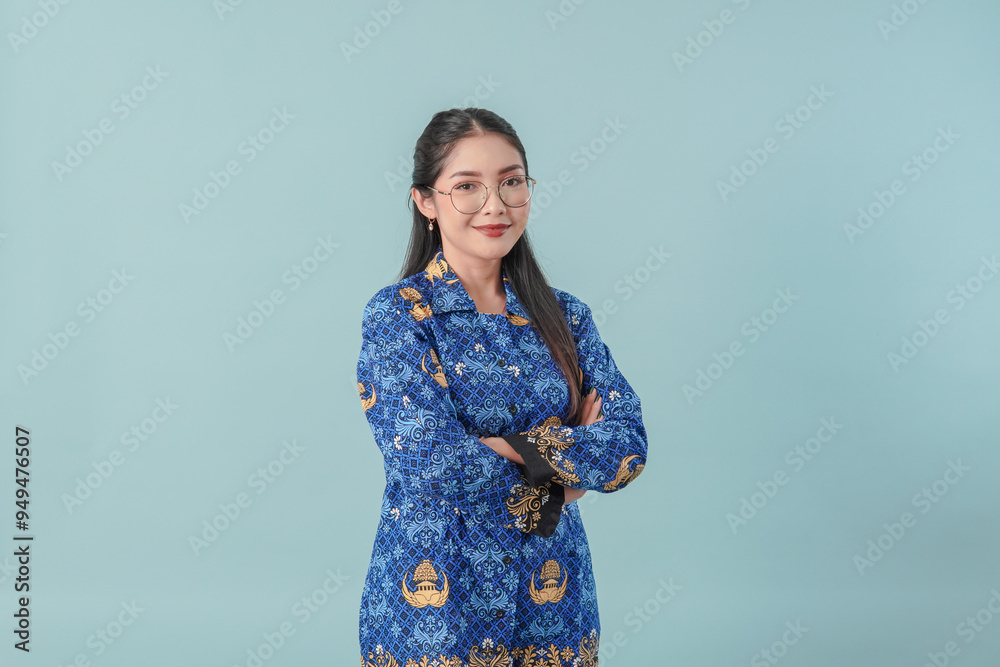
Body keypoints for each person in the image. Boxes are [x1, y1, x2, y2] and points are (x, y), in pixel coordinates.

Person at [356, 107, 648, 666]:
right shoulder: (400, 318)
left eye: (512, 182)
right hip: (438, 604)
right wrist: (565, 478)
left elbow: (627, 445)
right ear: (426, 202)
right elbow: (431, 464)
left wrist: (510, 451)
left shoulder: (566, 318)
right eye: (467, 187)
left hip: (553, 597)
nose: (495, 206)